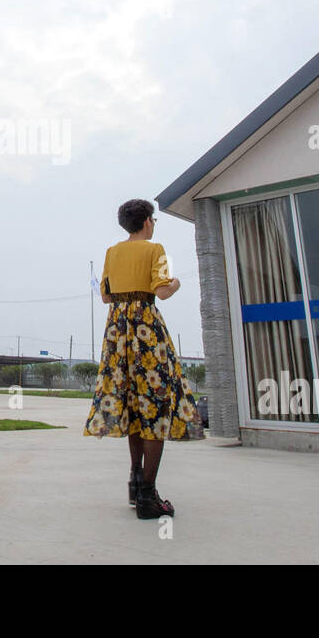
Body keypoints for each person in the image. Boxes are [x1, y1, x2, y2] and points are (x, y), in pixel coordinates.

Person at [84, 198, 204, 519]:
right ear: (148, 221)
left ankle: (136, 482)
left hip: (117, 333)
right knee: (154, 406)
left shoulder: (112, 252)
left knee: (132, 405)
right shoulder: (156, 250)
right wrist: (176, 282)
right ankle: (149, 496)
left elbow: (106, 295)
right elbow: (163, 290)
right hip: (146, 332)